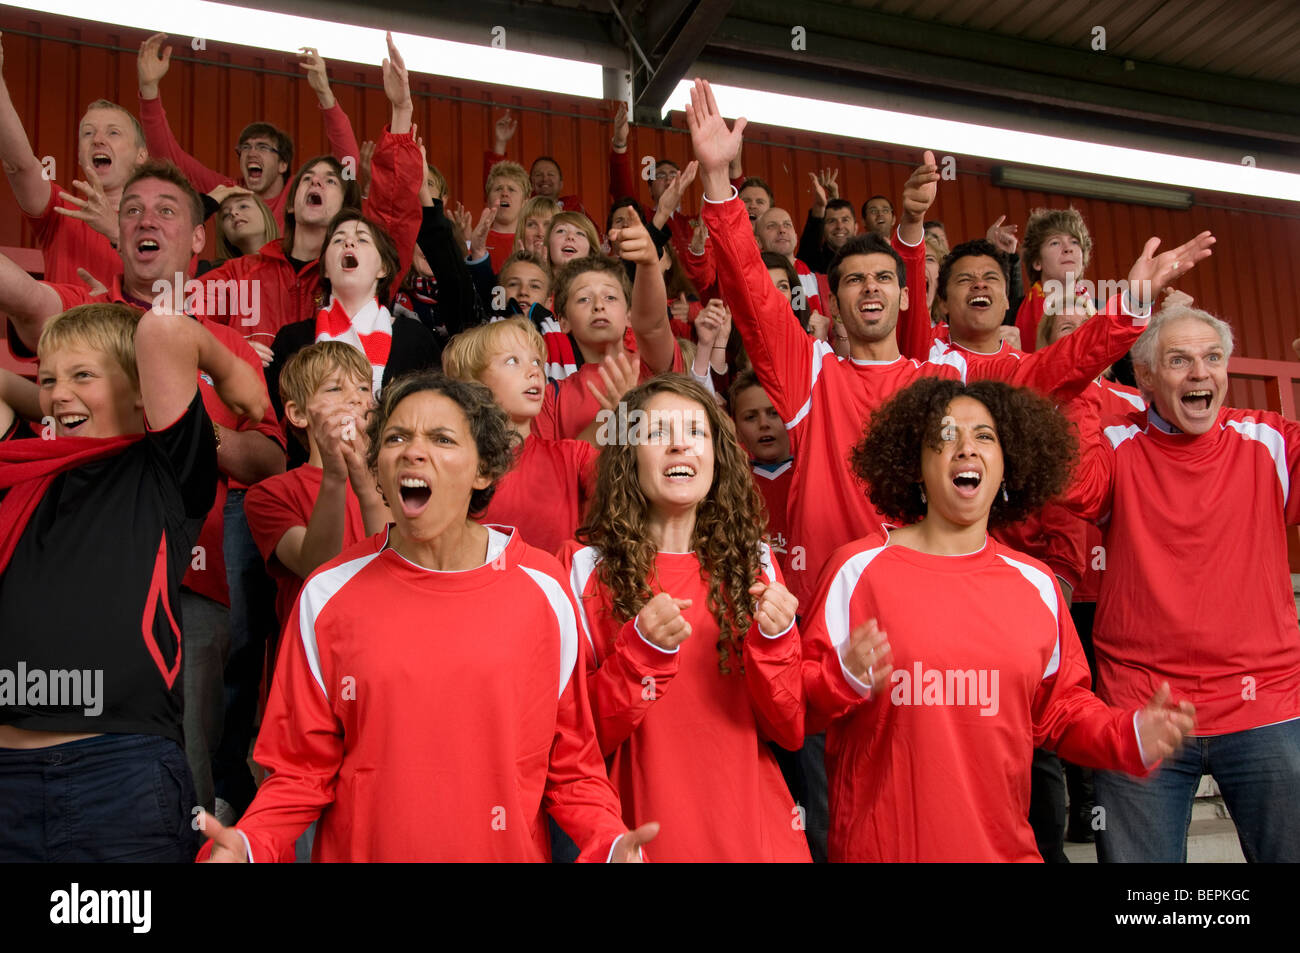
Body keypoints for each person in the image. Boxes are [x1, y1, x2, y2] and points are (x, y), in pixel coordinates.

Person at [197, 372, 656, 862]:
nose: (414, 451)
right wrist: (247, 845)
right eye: (396, 437)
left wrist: (610, 844)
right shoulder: (327, 594)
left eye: (441, 439)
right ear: (377, 469)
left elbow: (571, 765)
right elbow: (297, 771)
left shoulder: (544, 587)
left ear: (484, 470)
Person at [801, 376, 1197, 861]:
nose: (966, 448)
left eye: (984, 436)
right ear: (916, 468)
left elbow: (1062, 710)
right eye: (945, 437)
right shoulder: (855, 571)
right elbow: (797, 708)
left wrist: (1128, 735)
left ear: (1007, 467)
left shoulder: (1036, 584)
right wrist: (840, 677)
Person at [0, 297, 268, 862]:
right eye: (46, 380)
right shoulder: (20, 468)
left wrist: (235, 377)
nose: (58, 393)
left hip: (117, 774)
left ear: (143, 388)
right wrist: (55, 383)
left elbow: (163, 329)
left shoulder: (166, 472)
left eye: (82, 375)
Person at [1063, 303, 1300, 862]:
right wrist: (1109, 329)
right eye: (1178, 360)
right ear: (1143, 376)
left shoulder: (1269, 443)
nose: (1200, 373)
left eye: (1212, 359)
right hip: (1142, 711)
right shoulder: (1116, 447)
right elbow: (1071, 463)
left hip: (1265, 706)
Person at [560, 374, 809, 861]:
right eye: (657, 434)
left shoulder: (755, 560)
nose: (679, 445)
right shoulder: (582, 567)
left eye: (695, 431)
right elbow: (577, 743)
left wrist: (778, 644)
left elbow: (789, 728)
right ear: (629, 457)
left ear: (717, 454)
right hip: (646, 837)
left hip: (757, 834)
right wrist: (640, 654)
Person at [137, 34, 358, 228]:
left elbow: (348, 166)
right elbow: (169, 159)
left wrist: (324, 93)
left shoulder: (298, 192)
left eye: (263, 147)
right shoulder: (229, 192)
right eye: (245, 147)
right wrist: (149, 89)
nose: (251, 153)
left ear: (283, 164)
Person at [243, 342, 390, 631]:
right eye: (335, 389)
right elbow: (317, 568)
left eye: (363, 389)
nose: (355, 399)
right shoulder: (271, 493)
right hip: (314, 655)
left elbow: (399, 565)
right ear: (298, 414)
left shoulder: (398, 479)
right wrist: (334, 476)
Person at [0, 30, 146, 285]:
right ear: (80, 155)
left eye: (113, 132)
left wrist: (115, 229)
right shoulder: (60, 211)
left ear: (141, 155)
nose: (98, 139)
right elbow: (20, 164)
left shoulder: (164, 224)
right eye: (88, 133)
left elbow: (169, 289)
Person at [265, 210, 440, 420]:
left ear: (383, 268)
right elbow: (267, 424)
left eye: (362, 239)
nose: (348, 244)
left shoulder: (414, 338)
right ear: (326, 270)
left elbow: (433, 416)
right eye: (338, 240)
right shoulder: (292, 340)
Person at [443, 318, 596, 557]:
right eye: (512, 361)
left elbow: (629, 493)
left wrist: (628, 414)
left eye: (536, 361)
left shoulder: (575, 456)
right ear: (473, 384)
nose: (535, 370)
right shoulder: (451, 463)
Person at [535, 223, 681, 444]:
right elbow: (556, 469)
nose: (598, 306)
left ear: (629, 316)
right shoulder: (551, 399)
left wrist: (649, 262)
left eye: (610, 297)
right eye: (584, 298)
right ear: (563, 321)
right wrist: (614, 417)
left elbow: (654, 326)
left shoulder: (652, 365)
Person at [1015, 207, 1094, 353]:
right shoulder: (1012, 313)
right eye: (1055, 243)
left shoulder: (1101, 315)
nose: (1068, 249)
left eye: (1075, 242)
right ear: (1037, 262)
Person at [485, 111, 587, 214]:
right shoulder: (521, 207)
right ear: (530, 183)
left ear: (561, 184)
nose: (545, 179)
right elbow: (495, 184)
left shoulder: (575, 209)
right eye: (538, 175)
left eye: (551, 174)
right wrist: (501, 142)